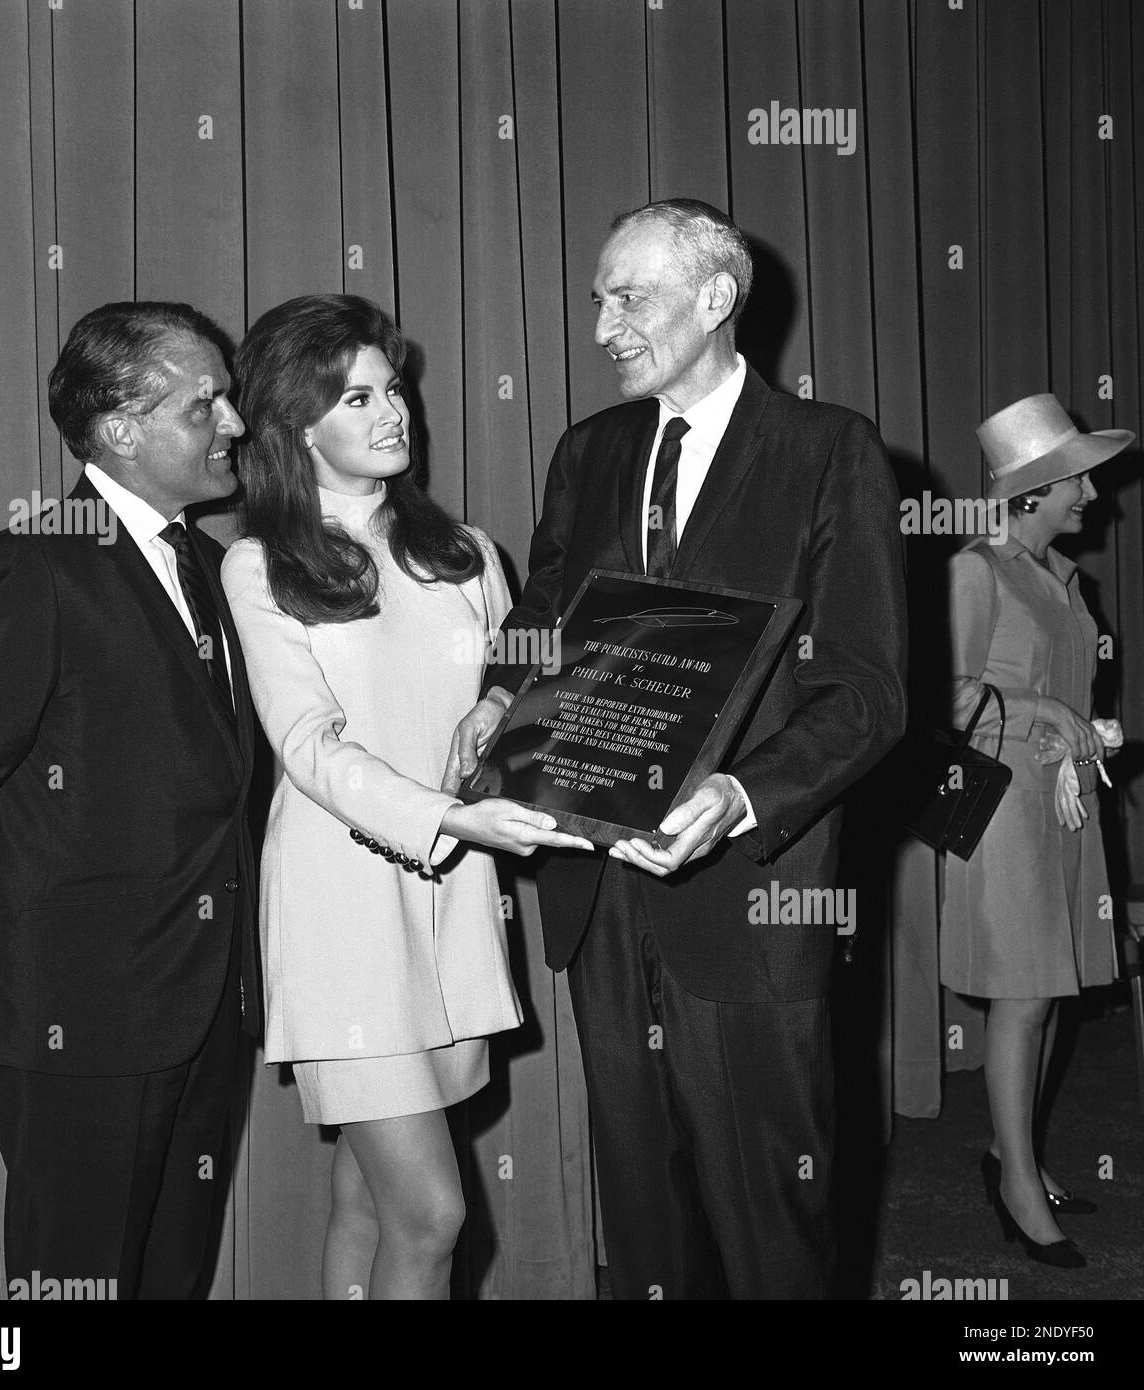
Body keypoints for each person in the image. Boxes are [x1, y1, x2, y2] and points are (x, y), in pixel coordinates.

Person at [445, 199, 907, 1299]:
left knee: (769, 1203)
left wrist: (744, 796)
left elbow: (871, 693)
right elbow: (546, 609)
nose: (603, 322)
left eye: (630, 297)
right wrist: (498, 690)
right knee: (643, 1202)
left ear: (717, 299)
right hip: (598, 887)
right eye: (599, 297)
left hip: (750, 891)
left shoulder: (827, 451)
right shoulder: (589, 449)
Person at [0, 302, 260, 1299]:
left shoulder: (225, 573)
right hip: (78, 1023)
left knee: (168, 1278)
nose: (233, 424)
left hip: (212, 1007)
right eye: (206, 403)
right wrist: (29, 945)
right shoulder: (31, 570)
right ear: (120, 427)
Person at [221, 293, 589, 1301]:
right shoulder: (260, 564)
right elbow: (306, 745)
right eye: (357, 396)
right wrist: (445, 815)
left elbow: (522, 705)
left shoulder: (466, 550)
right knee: (433, 1217)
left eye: (394, 389)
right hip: (343, 906)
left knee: (369, 1200)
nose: (395, 413)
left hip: (456, 900)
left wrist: (503, 720)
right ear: (298, 427)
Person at [941, 393, 1133, 1269]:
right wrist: (1043, 708)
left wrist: (1088, 727)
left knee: (1049, 989)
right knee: (1019, 996)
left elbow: (1072, 687)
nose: (1092, 495)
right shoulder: (975, 571)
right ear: (1038, 487)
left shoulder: (1065, 579)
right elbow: (943, 702)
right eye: (1079, 480)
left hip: (1065, 806)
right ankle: (1017, 1184)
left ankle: (1010, 1153)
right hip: (1005, 810)